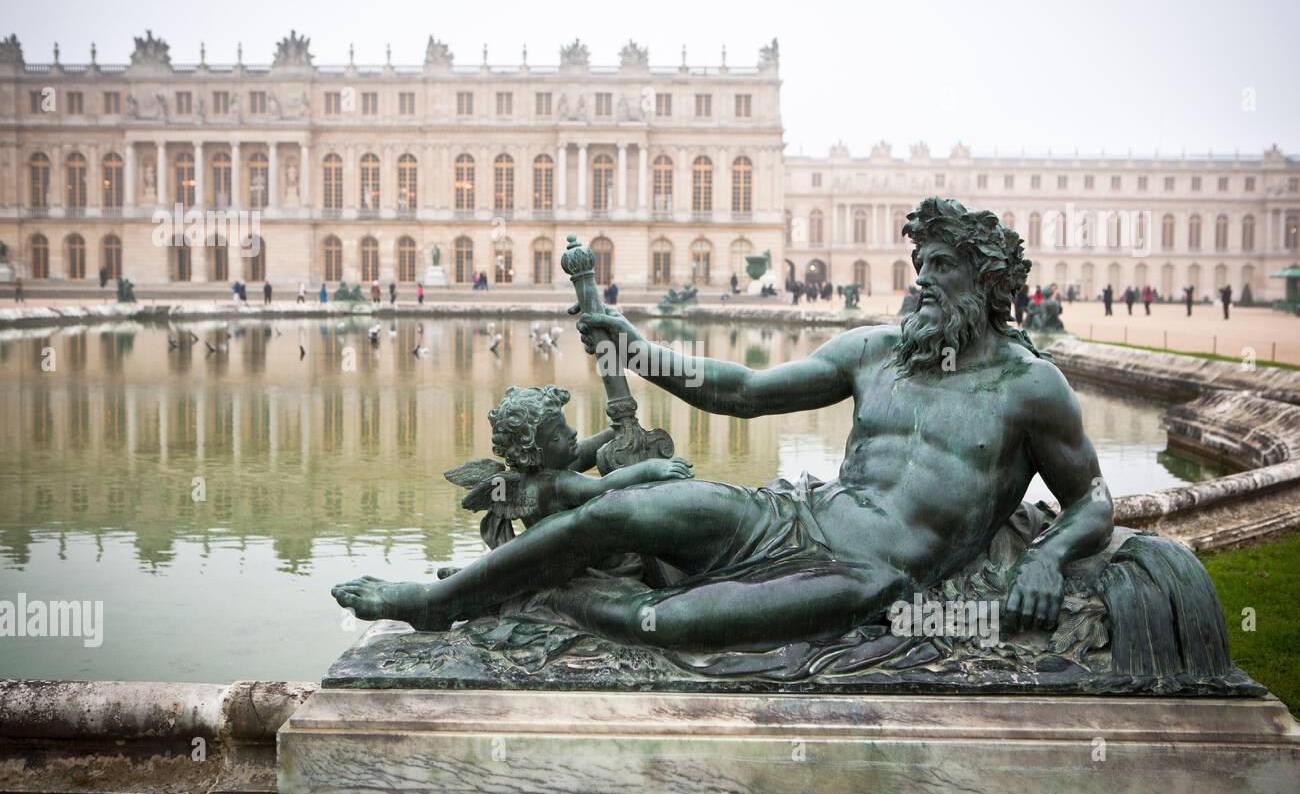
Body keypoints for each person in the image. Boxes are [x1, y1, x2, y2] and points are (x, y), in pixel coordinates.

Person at [333, 197, 1114, 647]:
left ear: (989, 280)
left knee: (663, 622)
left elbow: (1094, 500)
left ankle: (521, 593)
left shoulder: (1029, 388)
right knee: (627, 508)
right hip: (798, 518)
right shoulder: (875, 351)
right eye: (921, 268)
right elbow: (743, 390)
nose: (923, 284)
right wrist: (641, 353)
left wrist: (1048, 558)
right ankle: (437, 604)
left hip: (872, 576)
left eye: (943, 267)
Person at [444, 385, 694, 546]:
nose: (572, 432)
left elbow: (588, 448)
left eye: (565, 425)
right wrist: (651, 468)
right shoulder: (554, 484)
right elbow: (604, 485)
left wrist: (622, 429)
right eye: (557, 435)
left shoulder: (538, 470)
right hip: (590, 568)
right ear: (534, 453)